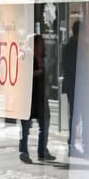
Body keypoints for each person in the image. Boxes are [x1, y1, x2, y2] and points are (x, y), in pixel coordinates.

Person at [19, 33, 54, 163]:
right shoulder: (25, 55)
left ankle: (42, 151)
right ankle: (23, 152)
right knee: (25, 127)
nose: (43, 46)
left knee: (44, 124)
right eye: (40, 43)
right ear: (34, 44)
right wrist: (35, 73)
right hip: (28, 98)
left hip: (40, 97)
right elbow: (21, 74)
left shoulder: (39, 57)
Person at [61, 20, 89, 157]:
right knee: (75, 118)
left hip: (83, 87)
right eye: (84, 32)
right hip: (74, 87)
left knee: (86, 117)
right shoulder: (70, 47)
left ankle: (86, 148)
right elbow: (70, 68)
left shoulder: (84, 46)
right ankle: (72, 147)